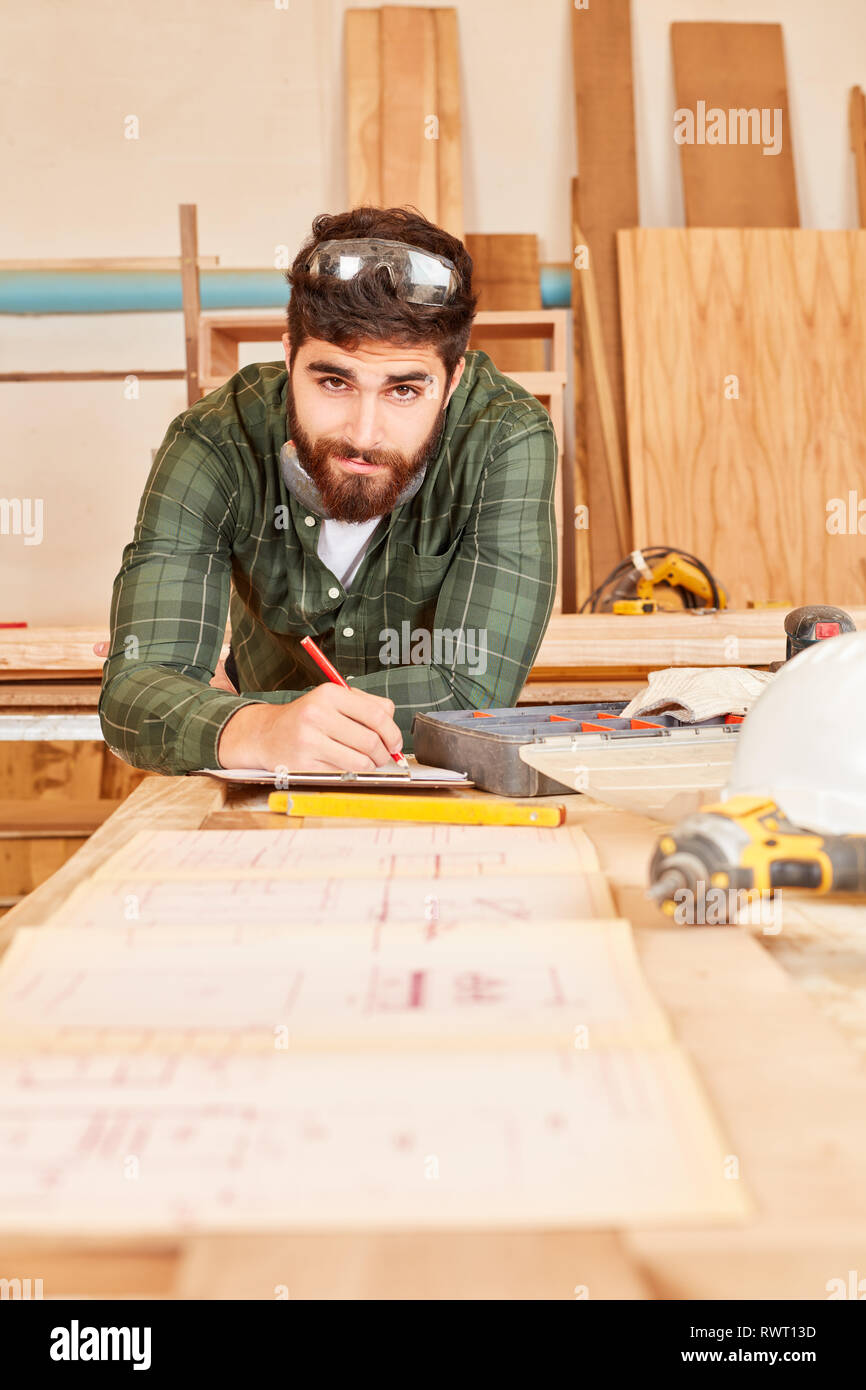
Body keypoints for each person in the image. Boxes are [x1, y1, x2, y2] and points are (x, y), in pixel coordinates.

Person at [97, 205, 558, 775]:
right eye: (334, 381)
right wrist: (257, 730)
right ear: (289, 357)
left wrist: (224, 717)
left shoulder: (504, 437)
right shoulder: (215, 439)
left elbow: (472, 698)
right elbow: (132, 697)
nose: (364, 434)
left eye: (405, 390)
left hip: (424, 783)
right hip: (261, 783)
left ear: (453, 380)